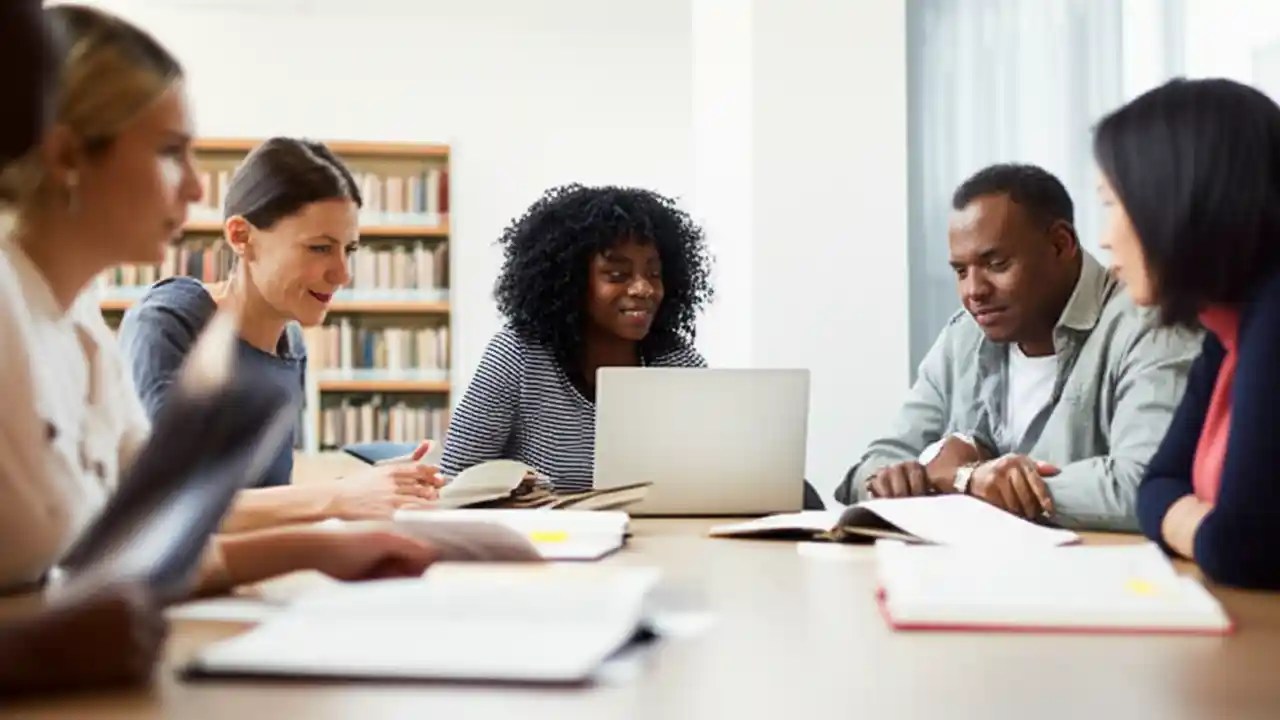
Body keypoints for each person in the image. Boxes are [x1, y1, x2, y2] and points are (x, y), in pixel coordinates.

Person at [0, 0, 442, 652]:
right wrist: (331, 510)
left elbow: (158, 533)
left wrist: (325, 552)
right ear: (67, 156)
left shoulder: (81, 327)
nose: (195, 193)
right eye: (171, 154)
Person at [834, 164, 1201, 530]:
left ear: (1061, 244)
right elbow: (872, 467)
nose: (973, 291)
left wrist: (967, 481)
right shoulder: (964, 336)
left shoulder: (1149, 325)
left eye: (996, 264)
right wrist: (897, 480)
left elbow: (1142, 485)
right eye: (961, 271)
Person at [117, 136, 443, 532]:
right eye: (320, 248)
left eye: (349, 249)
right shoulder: (167, 323)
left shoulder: (291, 344)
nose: (342, 274)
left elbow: (260, 499)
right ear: (241, 237)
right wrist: (341, 497)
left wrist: (372, 491)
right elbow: (173, 507)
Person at [1096, 78, 1280, 588]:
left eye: (1110, 203)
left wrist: (1189, 522)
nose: (1104, 237)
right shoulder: (1225, 329)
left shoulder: (1274, 314)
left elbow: (1244, 546)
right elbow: (1155, 487)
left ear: (1173, 198)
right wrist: (1199, 525)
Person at [441, 184, 713, 492]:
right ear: (570, 281)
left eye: (653, 274)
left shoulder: (677, 363)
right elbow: (452, 483)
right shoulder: (518, 356)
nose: (644, 289)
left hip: (655, 537)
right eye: (617, 275)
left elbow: (707, 480)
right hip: (538, 537)